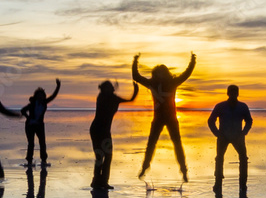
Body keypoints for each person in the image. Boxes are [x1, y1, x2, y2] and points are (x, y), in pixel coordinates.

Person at [132, 52, 196, 183]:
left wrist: (192, 61)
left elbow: (186, 74)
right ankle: (145, 167)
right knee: (151, 144)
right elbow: (136, 77)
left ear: (166, 73)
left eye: (162, 72)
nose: (160, 75)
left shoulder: (173, 82)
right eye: (158, 73)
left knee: (177, 144)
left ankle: (184, 171)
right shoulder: (152, 83)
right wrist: (135, 61)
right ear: (155, 74)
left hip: (171, 119)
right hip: (158, 119)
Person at [90, 79, 139, 190]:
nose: (108, 89)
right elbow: (111, 100)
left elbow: (130, 100)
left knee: (107, 156)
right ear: (103, 89)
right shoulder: (102, 97)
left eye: (109, 87)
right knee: (100, 156)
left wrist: (136, 91)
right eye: (106, 87)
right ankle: (98, 181)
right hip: (97, 130)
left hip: (104, 131)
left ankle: (101, 181)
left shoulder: (113, 98)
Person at [208, 84, 253, 188]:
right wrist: (217, 133)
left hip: (238, 137)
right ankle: (218, 183)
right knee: (219, 158)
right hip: (223, 136)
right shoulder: (220, 106)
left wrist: (244, 132)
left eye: (235, 92)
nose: (233, 94)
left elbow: (249, 120)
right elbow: (211, 121)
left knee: (243, 158)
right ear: (228, 93)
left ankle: (243, 184)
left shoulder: (242, 106)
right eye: (231, 92)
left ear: (238, 93)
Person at [21, 79, 60, 167]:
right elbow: (22, 110)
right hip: (30, 126)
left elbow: (53, 96)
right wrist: (28, 118)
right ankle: (29, 162)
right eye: (39, 95)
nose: (40, 97)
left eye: (42, 95)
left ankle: (43, 161)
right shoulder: (32, 104)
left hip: (40, 125)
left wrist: (58, 86)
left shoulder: (44, 102)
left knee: (42, 143)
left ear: (44, 96)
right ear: (36, 96)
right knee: (31, 143)